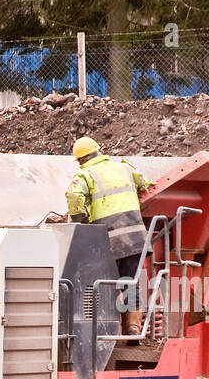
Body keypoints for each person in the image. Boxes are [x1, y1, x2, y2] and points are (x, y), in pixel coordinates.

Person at [65, 137, 153, 331]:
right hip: (135, 239)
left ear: (80, 160)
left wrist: (81, 220)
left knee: (102, 286)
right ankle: (133, 326)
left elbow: (73, 196)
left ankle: (104, 330)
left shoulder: (85, 175)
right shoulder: (125, 168)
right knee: (130, 283)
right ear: (99, 150)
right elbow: (146, 184)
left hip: (108, 241)